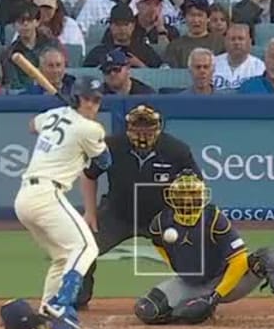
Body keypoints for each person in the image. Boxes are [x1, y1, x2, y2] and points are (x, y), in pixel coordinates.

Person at [133, 172, 274, 328]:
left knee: (271, 258)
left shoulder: (214, 219)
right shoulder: (160, 222)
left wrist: (215, 297)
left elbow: (239, 260)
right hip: (189, 284)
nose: (188, 199)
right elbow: (159, 244)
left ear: (202, 195)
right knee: (148, 310)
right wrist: (180, 267)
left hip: (229, 283)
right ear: (172, 196)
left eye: (192, 194)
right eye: (182, 194)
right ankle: (186, 310)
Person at [73, 102, 197, 309]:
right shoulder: (111, 147)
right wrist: (90, 212)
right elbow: (88, 175)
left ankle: (196, 297)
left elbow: (196, 183)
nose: (142, 132)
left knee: (191, 254)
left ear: (158, 127)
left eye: (147, 126)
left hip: (160, 217)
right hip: (118, 213)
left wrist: (183, 215)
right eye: (137, 126)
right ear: (128, 127)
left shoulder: (176, 150)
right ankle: (77, 299)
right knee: (83, 247)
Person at [14, 74, 110, 322]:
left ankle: (48, 310)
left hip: (25, 198)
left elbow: (31, 125)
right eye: (87, 99)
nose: (92, 105)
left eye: (97, 100)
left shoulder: (55, 114)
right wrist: (92, 135)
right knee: (87, 247)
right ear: (77, 98)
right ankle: (62, 303)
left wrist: (64, 115)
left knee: (63, 257)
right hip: (46, 194)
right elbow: (105, 161)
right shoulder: (90, 128)